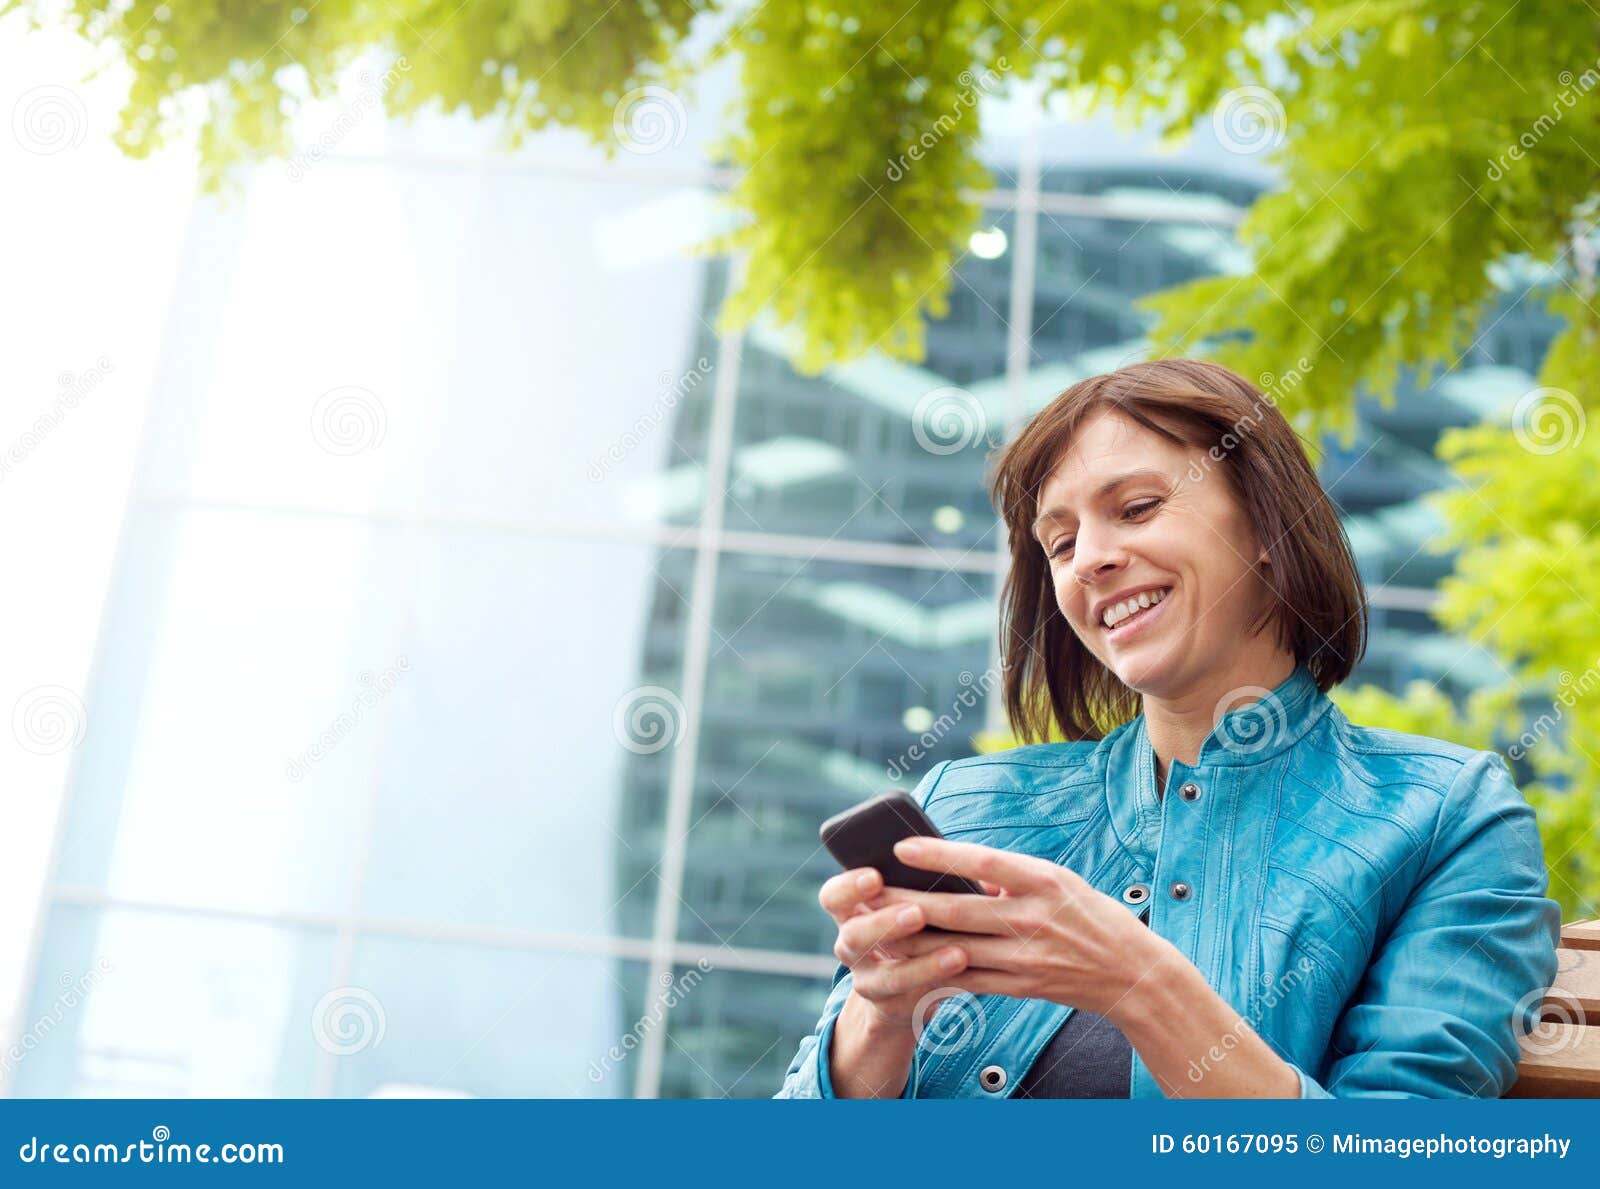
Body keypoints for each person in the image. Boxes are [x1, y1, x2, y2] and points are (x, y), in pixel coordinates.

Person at [776, 359, 1561, 1099]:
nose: (1089, 559)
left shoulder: (1444, 817)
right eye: (1061, 541)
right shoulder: (967, 802)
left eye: (1137, 508)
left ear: (1264, 524)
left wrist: (1141, 985)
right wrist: (879, 1017)